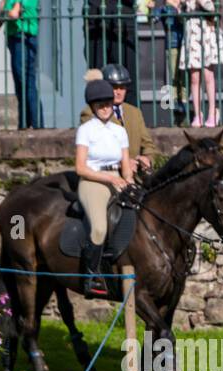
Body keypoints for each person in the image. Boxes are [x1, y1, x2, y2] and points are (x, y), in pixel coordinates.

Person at [74, 78, 133, 300]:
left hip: (117, 179)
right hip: (93, 181)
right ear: (93, 107)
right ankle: (92, 276)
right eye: (100, 105)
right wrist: (108, 178)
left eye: (108, 103)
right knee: (99, 227)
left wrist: (129, 180)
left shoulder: (119, 131)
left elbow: (126, 166)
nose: (105, 108)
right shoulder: (86, 130)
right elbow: (80, 167)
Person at [79, 65, 157, 175]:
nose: (118, 92)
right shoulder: (90, 112)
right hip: (106, 174)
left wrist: (147, 159)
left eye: (122, 87)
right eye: (114, 87)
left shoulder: (134, 112)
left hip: (137, 175)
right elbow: (98, 149)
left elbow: (148, 144)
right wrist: (123, 162)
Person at [0, 0, 42, 130]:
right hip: (16, 36)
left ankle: (35, 123)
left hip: (23, 37)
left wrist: (4, 9)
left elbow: (14, 13)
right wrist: (1, 21)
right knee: (22, 83)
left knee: (26, 82)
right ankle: (25, 123)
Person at [184, 0, 223, 128]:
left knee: (208, 75)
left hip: (207, 30)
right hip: (192, 32)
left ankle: (212, 113)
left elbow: (212, 7)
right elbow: (184, 11)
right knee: (194, 77)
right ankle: (198, 114)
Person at [155, 1, 190, 125]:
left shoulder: (184, 6)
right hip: (172, 45)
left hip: (186, 44)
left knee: (185, 78)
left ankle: (185, 108)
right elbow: (154, 17)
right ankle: (175, 111)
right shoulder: (165, 8)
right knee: (173, 78)